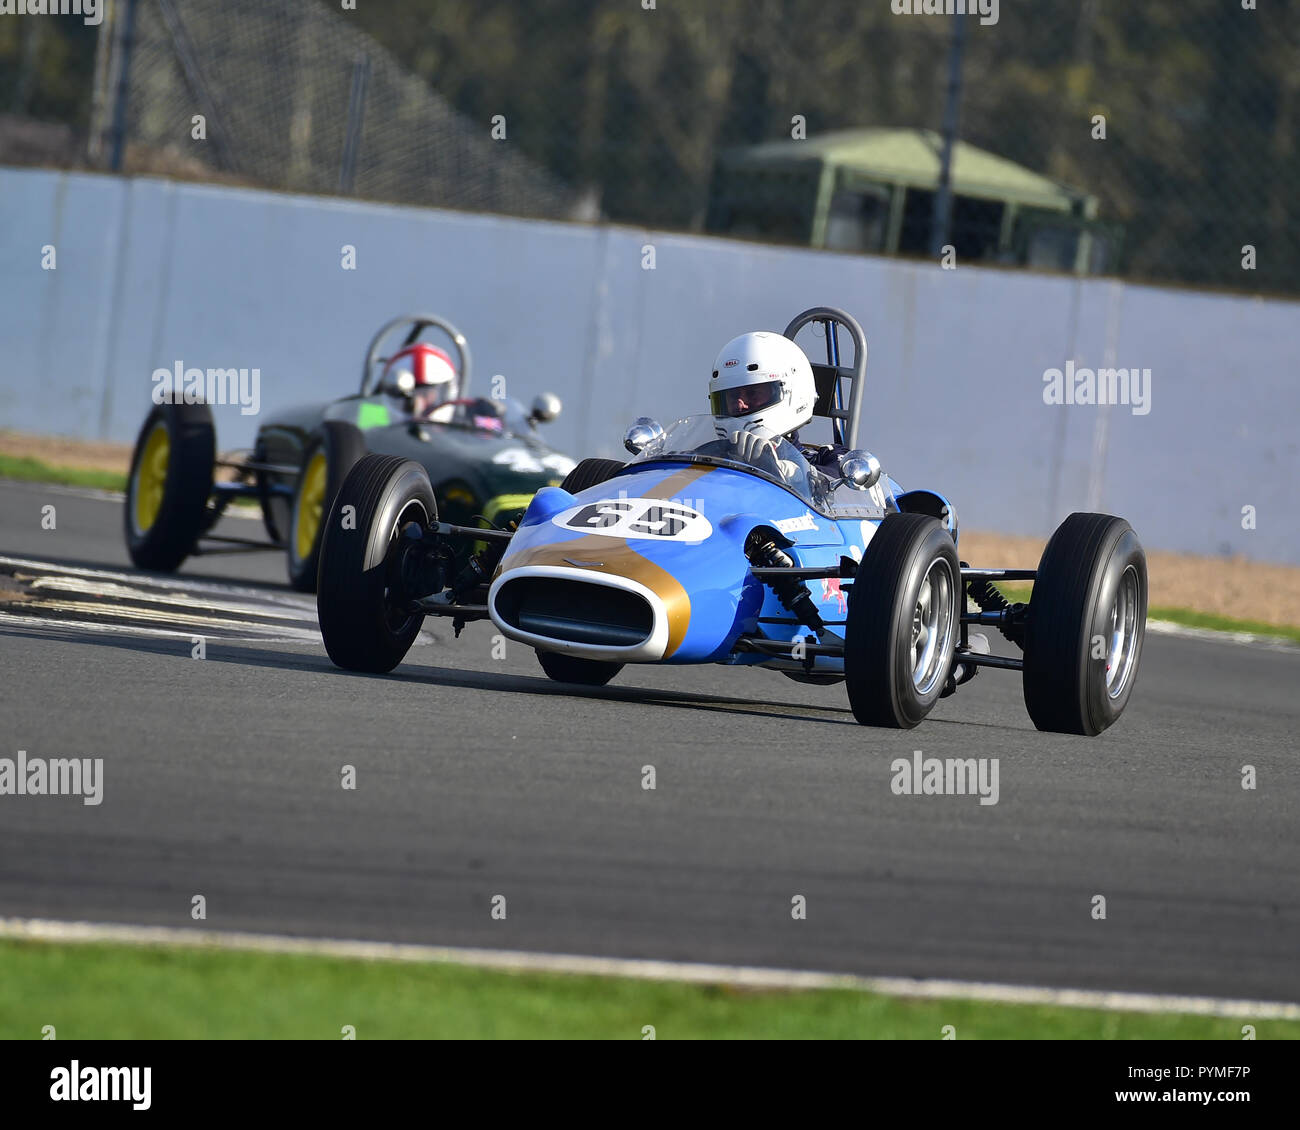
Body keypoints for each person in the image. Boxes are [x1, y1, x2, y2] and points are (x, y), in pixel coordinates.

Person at [707, 331, 844, 476]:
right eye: (732, 397)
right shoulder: (709, 458)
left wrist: (787, 473)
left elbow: (840, 486)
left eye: (752, 394)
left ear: (793, 391)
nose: (740, 404)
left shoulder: (828, 459)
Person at [380, 343, 503, 432]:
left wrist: (495, 416)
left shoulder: (465, 420)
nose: (418, 401)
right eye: (411, 394)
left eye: (426, 393)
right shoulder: (377, 415)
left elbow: (499, 428)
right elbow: (361, 423)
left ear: (446, 390)